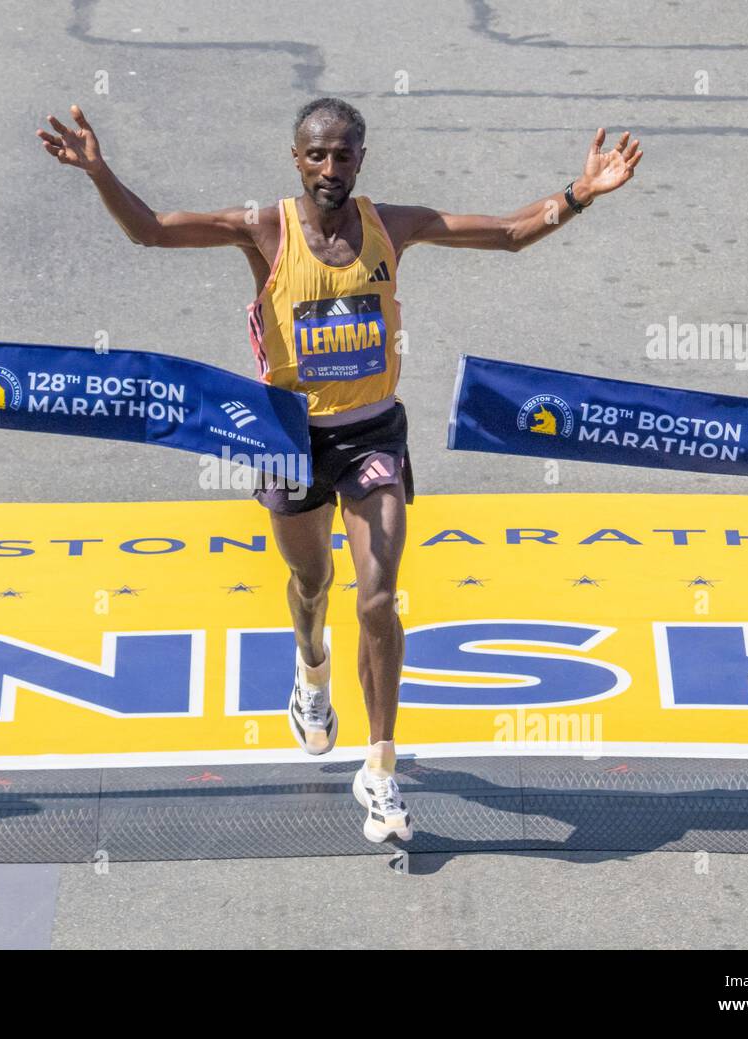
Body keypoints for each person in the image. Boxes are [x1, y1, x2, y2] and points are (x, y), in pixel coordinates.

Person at [38, 97, 642, 843]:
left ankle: (380, 767)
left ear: (362, 157)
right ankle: (311, 671)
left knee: (379, 596)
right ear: (296, 160)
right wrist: (98, 172)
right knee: (312, 583)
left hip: (372, 435)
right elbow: (154, 232)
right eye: (316, 155)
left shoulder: (394, 225)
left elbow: (512, 234)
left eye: (344, 154)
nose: (330, 168)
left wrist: (580, 193)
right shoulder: (265, 229)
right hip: (290, 439)